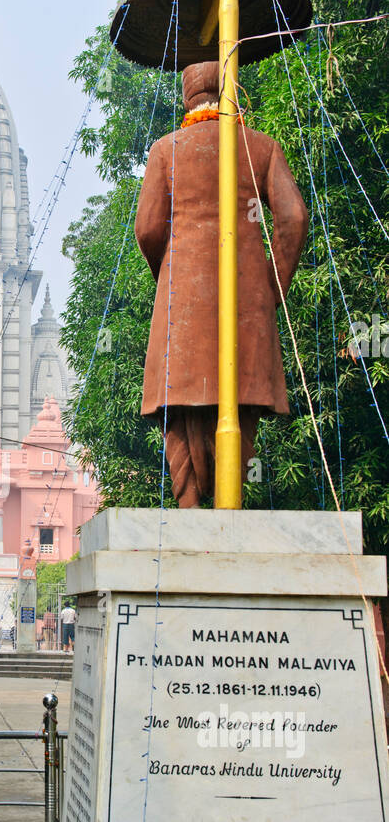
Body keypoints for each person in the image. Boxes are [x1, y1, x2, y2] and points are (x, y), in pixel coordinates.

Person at [136, 60, 308, 507]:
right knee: (242, 406)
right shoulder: (261, 148)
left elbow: (148, 229)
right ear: (232, 93)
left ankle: (190, 504)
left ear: (187, 98)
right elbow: (293, 218)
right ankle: (231, 505)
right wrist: (271, 288)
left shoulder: (166, 150)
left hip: (182, 305)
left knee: (179, 411)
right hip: (246, 305)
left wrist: (172, 273)